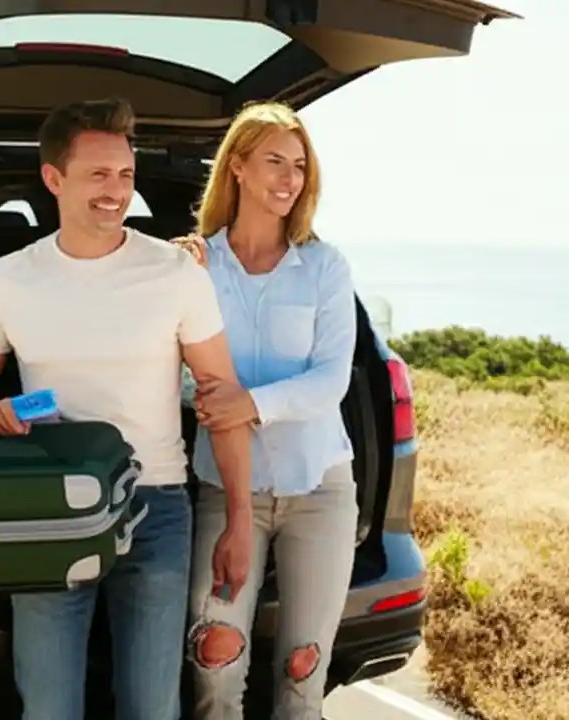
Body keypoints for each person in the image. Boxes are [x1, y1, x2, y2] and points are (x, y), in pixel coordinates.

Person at [0, 97, 255, 720]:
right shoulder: (10, 279)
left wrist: (240, 519)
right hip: (48, 509)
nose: (116, 191)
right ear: (53, 178)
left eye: (125, 175)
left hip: (155, 506)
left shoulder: (175, 272)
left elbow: (222, 397)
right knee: (49, 709)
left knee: (152, 709)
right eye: (98, 175)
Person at [174, 101, 360, 720]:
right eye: (275, 161)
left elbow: (331, 381)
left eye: (299, 166)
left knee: (302, 673)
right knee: (215, 665)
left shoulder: (324, 267)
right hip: (227, 492)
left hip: (321, 491)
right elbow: (177, 377)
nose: (289, 179)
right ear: (238, 166)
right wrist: (207, 396)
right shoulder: (195, 266)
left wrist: (248, 404)